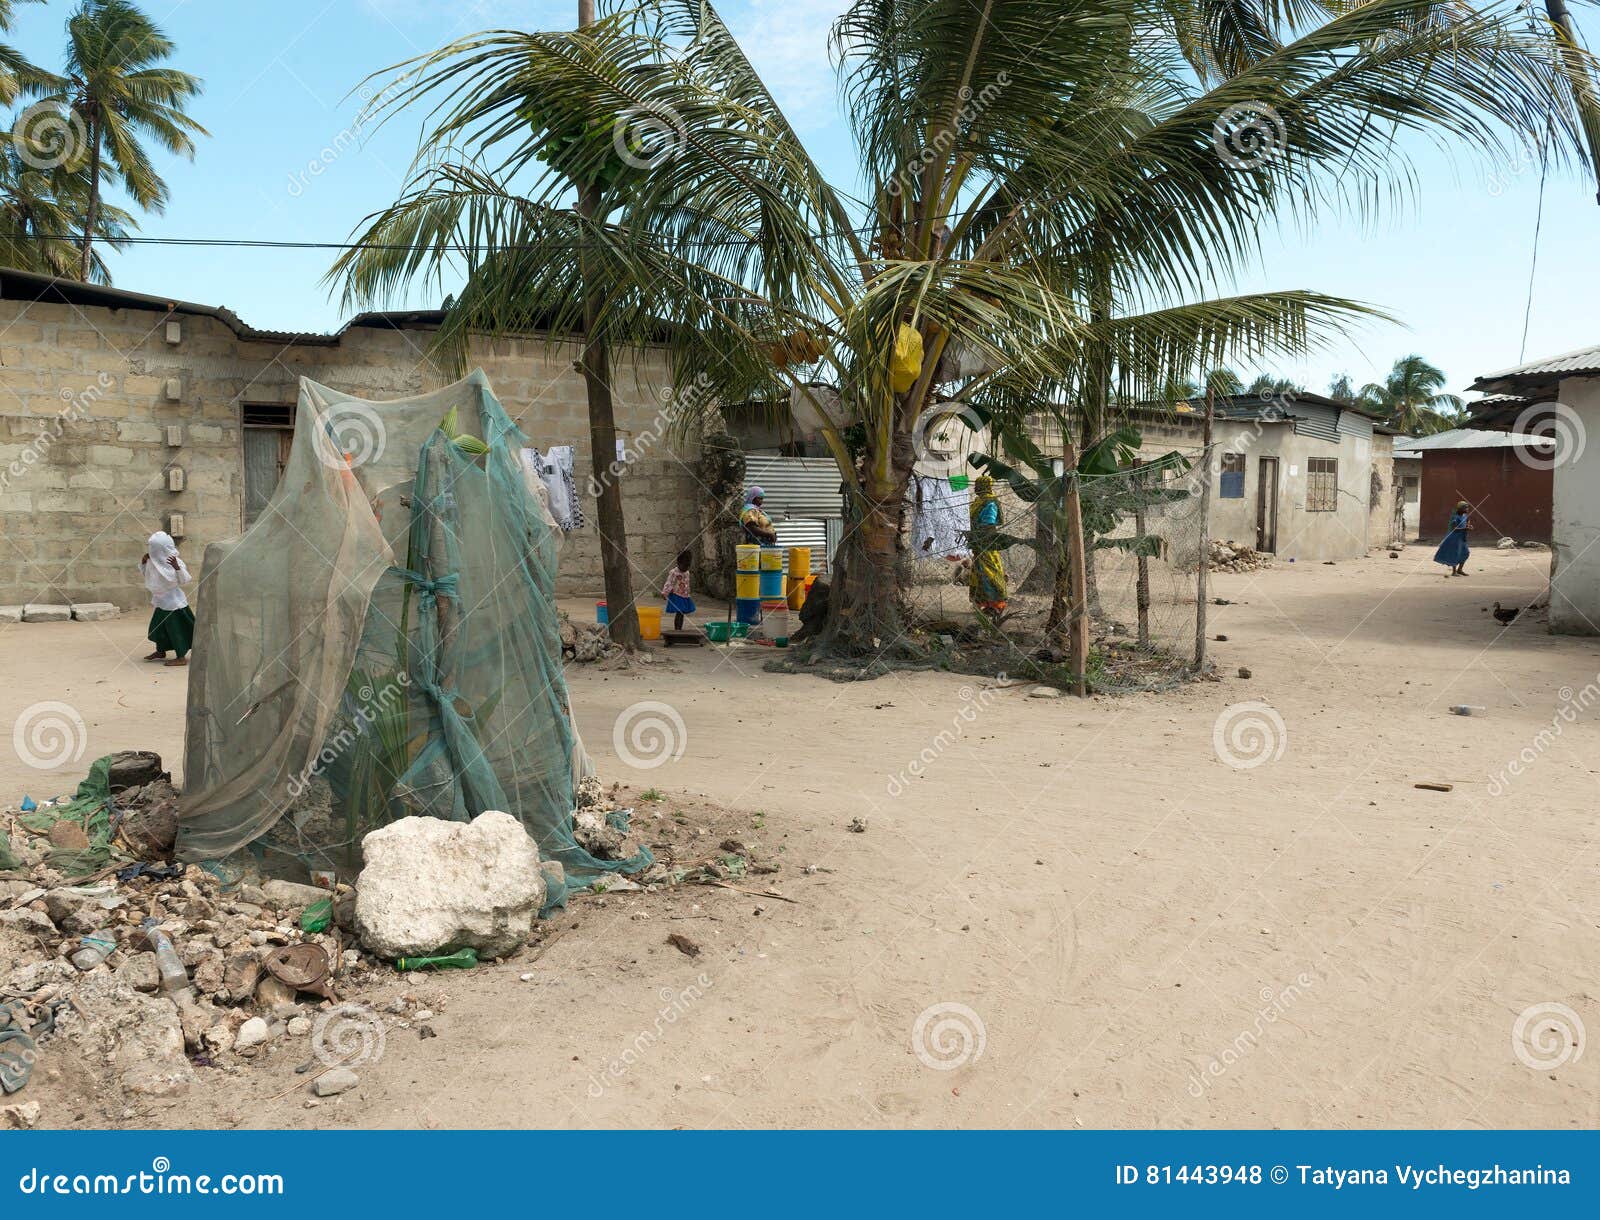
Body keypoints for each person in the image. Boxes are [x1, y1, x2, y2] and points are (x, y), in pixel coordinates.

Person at [141, 530, 194, 666]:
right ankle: (161, 651)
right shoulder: (153, 562)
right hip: (161, 602)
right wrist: (144, 563)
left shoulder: (176, 562)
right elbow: (147, 576)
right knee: (158, 628)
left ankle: (181, 657)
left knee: (175, 630)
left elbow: (185, 579)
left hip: (174, 604)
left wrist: (177, 568)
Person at [967, 474, 1008, 617]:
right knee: (983, 573)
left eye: (977, 485)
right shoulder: (983, 502)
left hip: (985, 544)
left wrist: (976, 535)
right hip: (981, 544)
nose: (975, 488)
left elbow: (988, 523)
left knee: (989, 573)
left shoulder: (985, 503)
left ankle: (996, 604)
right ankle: (986, 604)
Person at [1433, 500, 1471, 576]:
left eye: (1467, 508)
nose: (1467, 510)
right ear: (1461, 509)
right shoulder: (1455, 517)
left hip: (1462, 537)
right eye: (1465, 508)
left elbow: (1466, 524)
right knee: (1455, 553)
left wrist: (1469, 526)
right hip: (1454, 537)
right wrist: (1465, 529)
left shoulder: (1465, 516)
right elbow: (1454, 528)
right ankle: (1454, 572)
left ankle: (1460, 569)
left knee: (1466, 552)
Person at [662, 550, 696, 630]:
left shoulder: (687, 572)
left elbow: (687, 584)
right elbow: (669, 582)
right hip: (676, 595)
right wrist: (665, 592)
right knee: (679, 613)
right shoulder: (674, 572)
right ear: (678, 563)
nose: (685, 568)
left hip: (685, 595)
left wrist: (688, 593)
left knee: (682, 614)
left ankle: (679, 629)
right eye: (684, 566)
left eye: (688, 566)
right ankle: (677, 629)